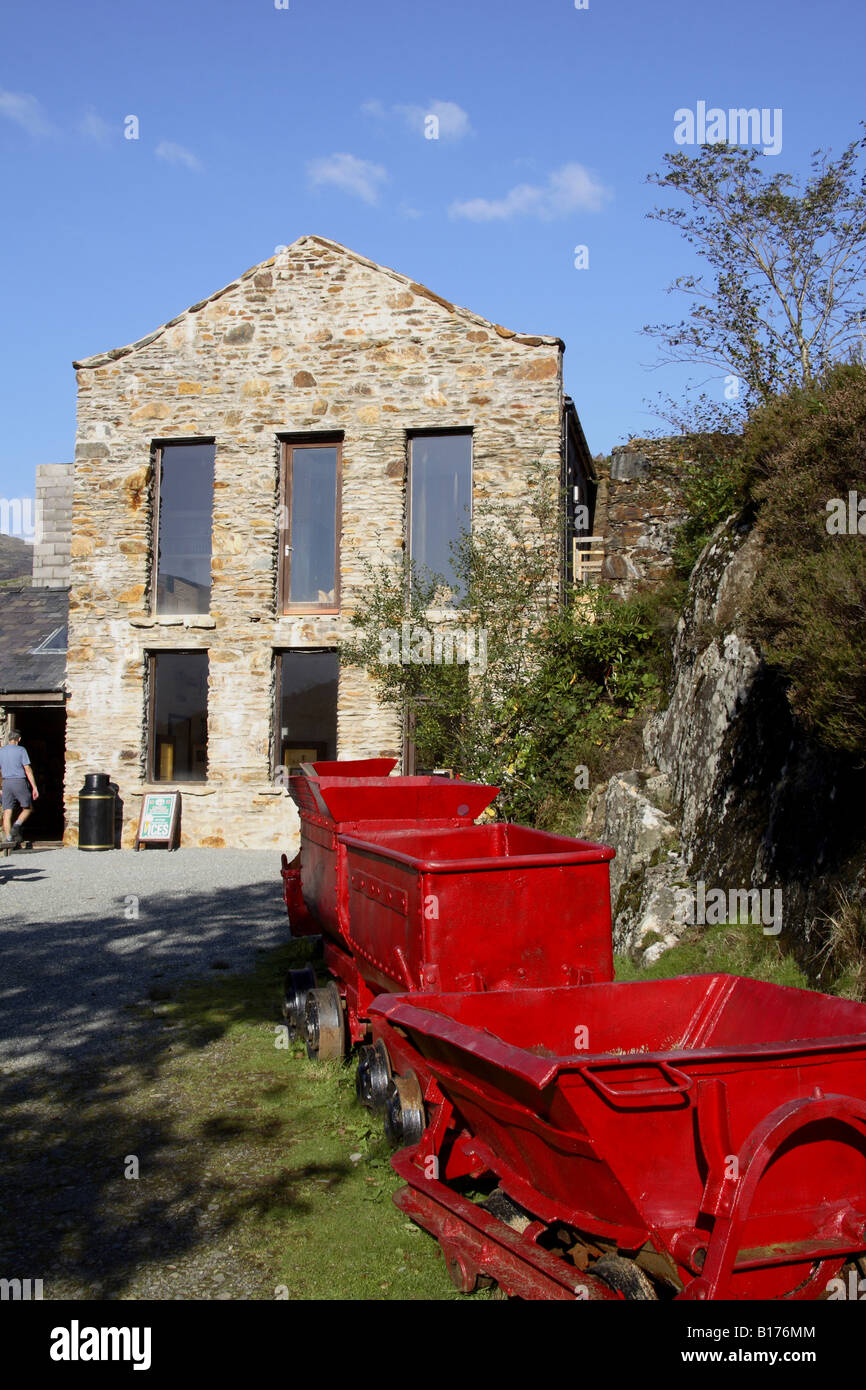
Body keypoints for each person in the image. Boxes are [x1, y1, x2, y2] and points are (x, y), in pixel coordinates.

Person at [0, 730, 39, 846]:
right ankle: (16, 826)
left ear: (8, 739)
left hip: (6, 783)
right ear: (19, 739)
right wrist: (34, 787)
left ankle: (8, 839)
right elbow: (27, 769)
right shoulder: (21, 750)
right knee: (28, 808)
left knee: (7, 811)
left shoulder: (1, 751)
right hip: (19, 781)